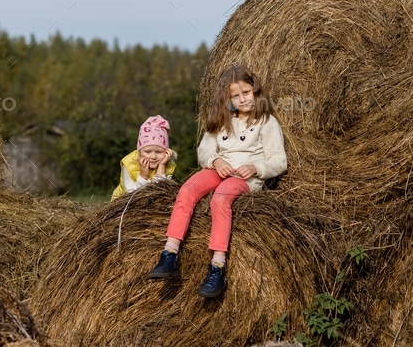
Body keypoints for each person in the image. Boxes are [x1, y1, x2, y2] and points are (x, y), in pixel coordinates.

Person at [148, 64, 287, 299]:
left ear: (255, 91)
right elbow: (204, 151)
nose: (242, 99)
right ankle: (169, 254)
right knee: (187, 190)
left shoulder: (267, 122)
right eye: (235, 95)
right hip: (219, 170)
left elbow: (279, 161)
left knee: (220, 200)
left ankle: (217, 267)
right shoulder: (222, 120)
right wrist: (215, 161)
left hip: (246, 178)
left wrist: (256, 167)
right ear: (228, 98)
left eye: (246, 92)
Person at [111, 115, 177, 201]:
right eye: (148, 152)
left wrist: (161, 166)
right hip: (122, 204)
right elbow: (130, 195)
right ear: (139, 151)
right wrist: (143, 176)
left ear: (167, 151)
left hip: (150, 204)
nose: (153, 157)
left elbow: (160, 192)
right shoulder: (129, 164)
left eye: (159, 152)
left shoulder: (167, 163)